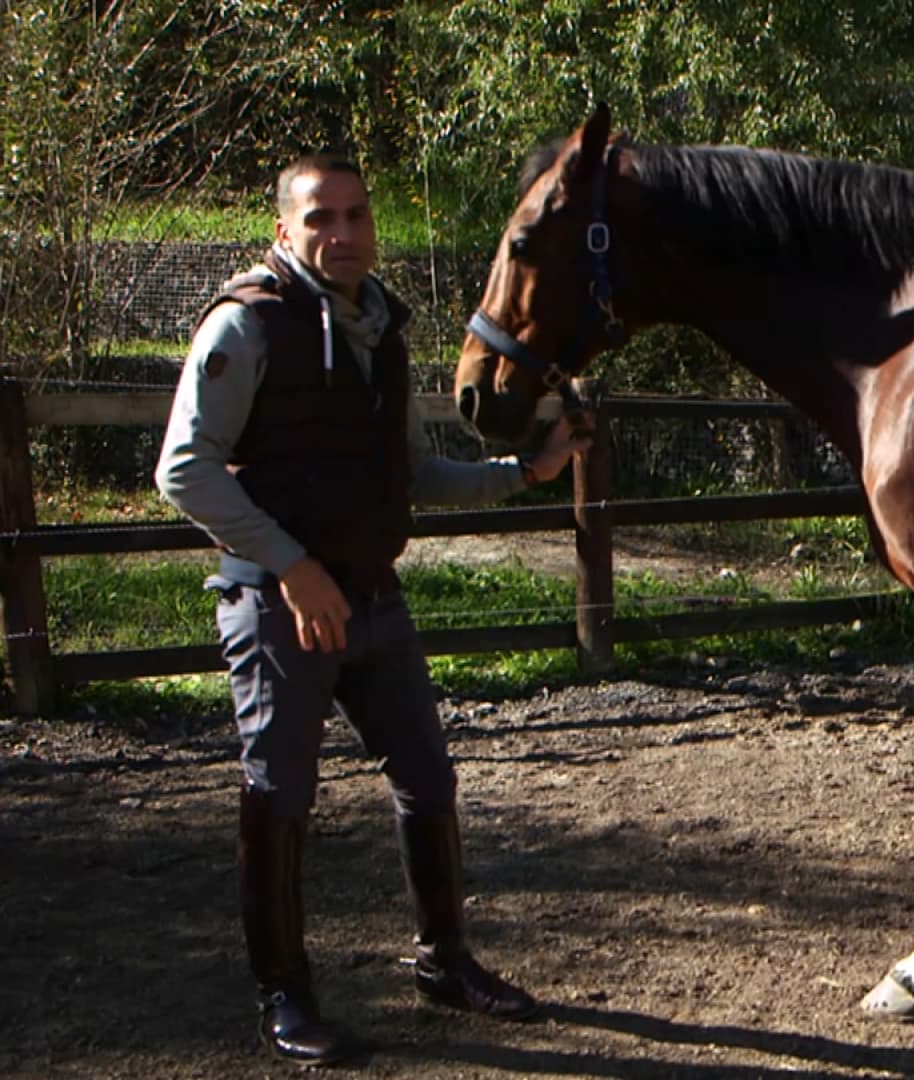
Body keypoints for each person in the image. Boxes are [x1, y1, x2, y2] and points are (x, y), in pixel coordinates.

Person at [155, 152, 591, 1066]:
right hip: (278, 608)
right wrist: (290, 567)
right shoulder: (246, 326)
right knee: (279, 795)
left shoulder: (381, 329)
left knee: (429, 781)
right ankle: (284, 997)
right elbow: (181, 471)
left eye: (357, 215)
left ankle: (443, 962)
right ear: (285, 229)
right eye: (321, 219)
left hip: (373, 599)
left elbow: (414, 475)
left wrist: (524, 472)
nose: (343, 234)